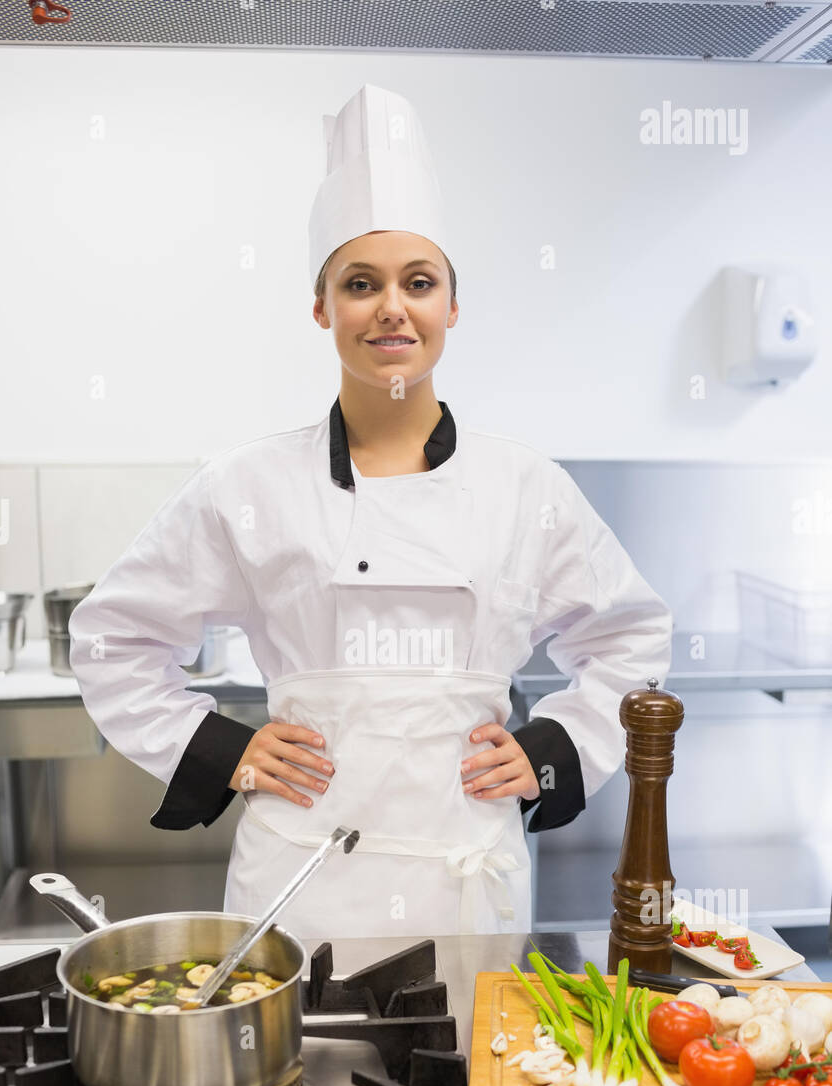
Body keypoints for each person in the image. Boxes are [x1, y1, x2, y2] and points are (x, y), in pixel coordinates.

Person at [68, 83, 673, 939]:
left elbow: (632, 640)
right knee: (291, 1074)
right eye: (362, 283)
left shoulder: (525, 488)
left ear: (450, 308)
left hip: (466, 885)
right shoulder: (248, 485)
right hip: (302, 884)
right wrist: (220, 749)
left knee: (470, 1072)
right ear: (324, 308)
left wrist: (552, 749)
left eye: (418, 281)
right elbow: (110, 639)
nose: (392, 305)